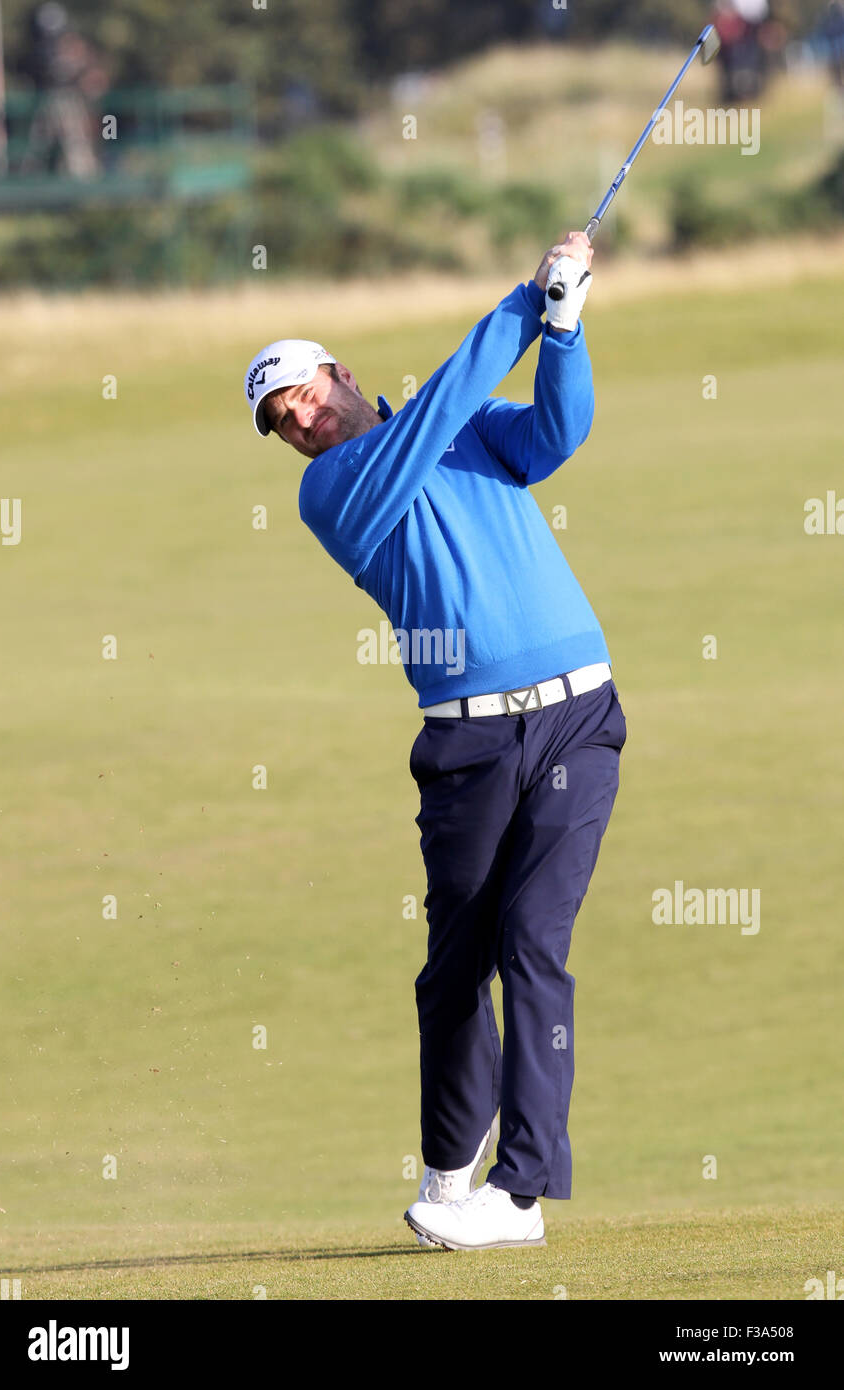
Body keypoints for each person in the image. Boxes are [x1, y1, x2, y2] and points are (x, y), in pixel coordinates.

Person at [243, 231, 627, 1250]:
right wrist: (522, 298)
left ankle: (521, 1191)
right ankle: (450, 1171)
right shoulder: (332, 492)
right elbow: (448, 398)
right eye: (286, 423)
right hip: (466, 748)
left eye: (308, 396)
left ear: (342, 376)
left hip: (577, 717)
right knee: (453, 968)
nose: (304, 422)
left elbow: (553, 435)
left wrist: (563, 324)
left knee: (533, 944)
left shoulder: (452, 426)